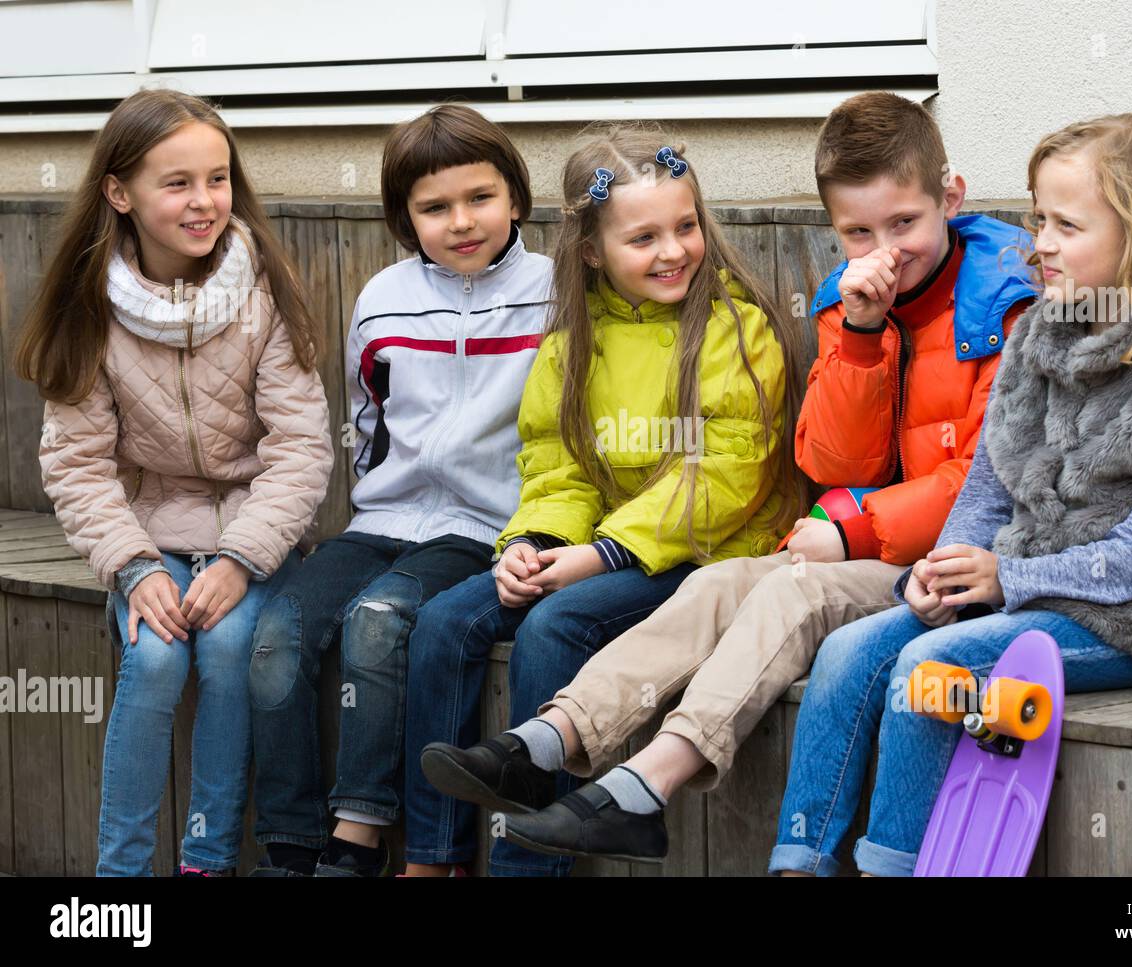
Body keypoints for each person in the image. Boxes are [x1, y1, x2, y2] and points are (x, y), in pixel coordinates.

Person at [770, 111, 1132, 877]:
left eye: (1067, 224)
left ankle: (891, 867)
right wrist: (944, 570)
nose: (1040, 243)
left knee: (932, 671)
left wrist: (1010, 579)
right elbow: (990, 488)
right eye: (1038, 219)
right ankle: (799, 861)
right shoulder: (1039, 333)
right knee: (848, 650)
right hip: (1027, 593)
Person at [402, 123, 805, 876]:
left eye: (685, 227)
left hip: (706, 553)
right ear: (591, 250)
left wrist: (601, 554)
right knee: (443, 622)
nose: (673, 250)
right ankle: (432, 856)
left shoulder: (736, 332)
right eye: (643, 236)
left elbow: (722, 476)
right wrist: (534, 543)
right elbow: (558, 463)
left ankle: (528, 862)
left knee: (554, 623)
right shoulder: (571, 343)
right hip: (603, 547)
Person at [20, 89, 333, 876]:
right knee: (156, 658)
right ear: (119, 193)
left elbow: (300, 448)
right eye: (178, 183)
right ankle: (119, 875)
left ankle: (206, 858)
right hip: (148, 531)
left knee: (229, 646)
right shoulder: (91, 310)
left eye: (218, 179)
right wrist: (133, 564)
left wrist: (241, 558)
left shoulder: (262, 293)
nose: (205, 202)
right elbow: (77, 463)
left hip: (250, 533)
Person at [246, 104, 553, 877]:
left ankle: (356, 841)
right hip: (383, 517)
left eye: (479, 197)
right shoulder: (383, 296)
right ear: (404, 218)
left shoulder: (554, 293)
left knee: (378, 621)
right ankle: (289, 845)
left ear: (515, 197)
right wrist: (376, 498)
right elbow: (369, 413)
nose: (461, 221)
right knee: (276, 627)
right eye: (434, 207)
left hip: (485, 524)